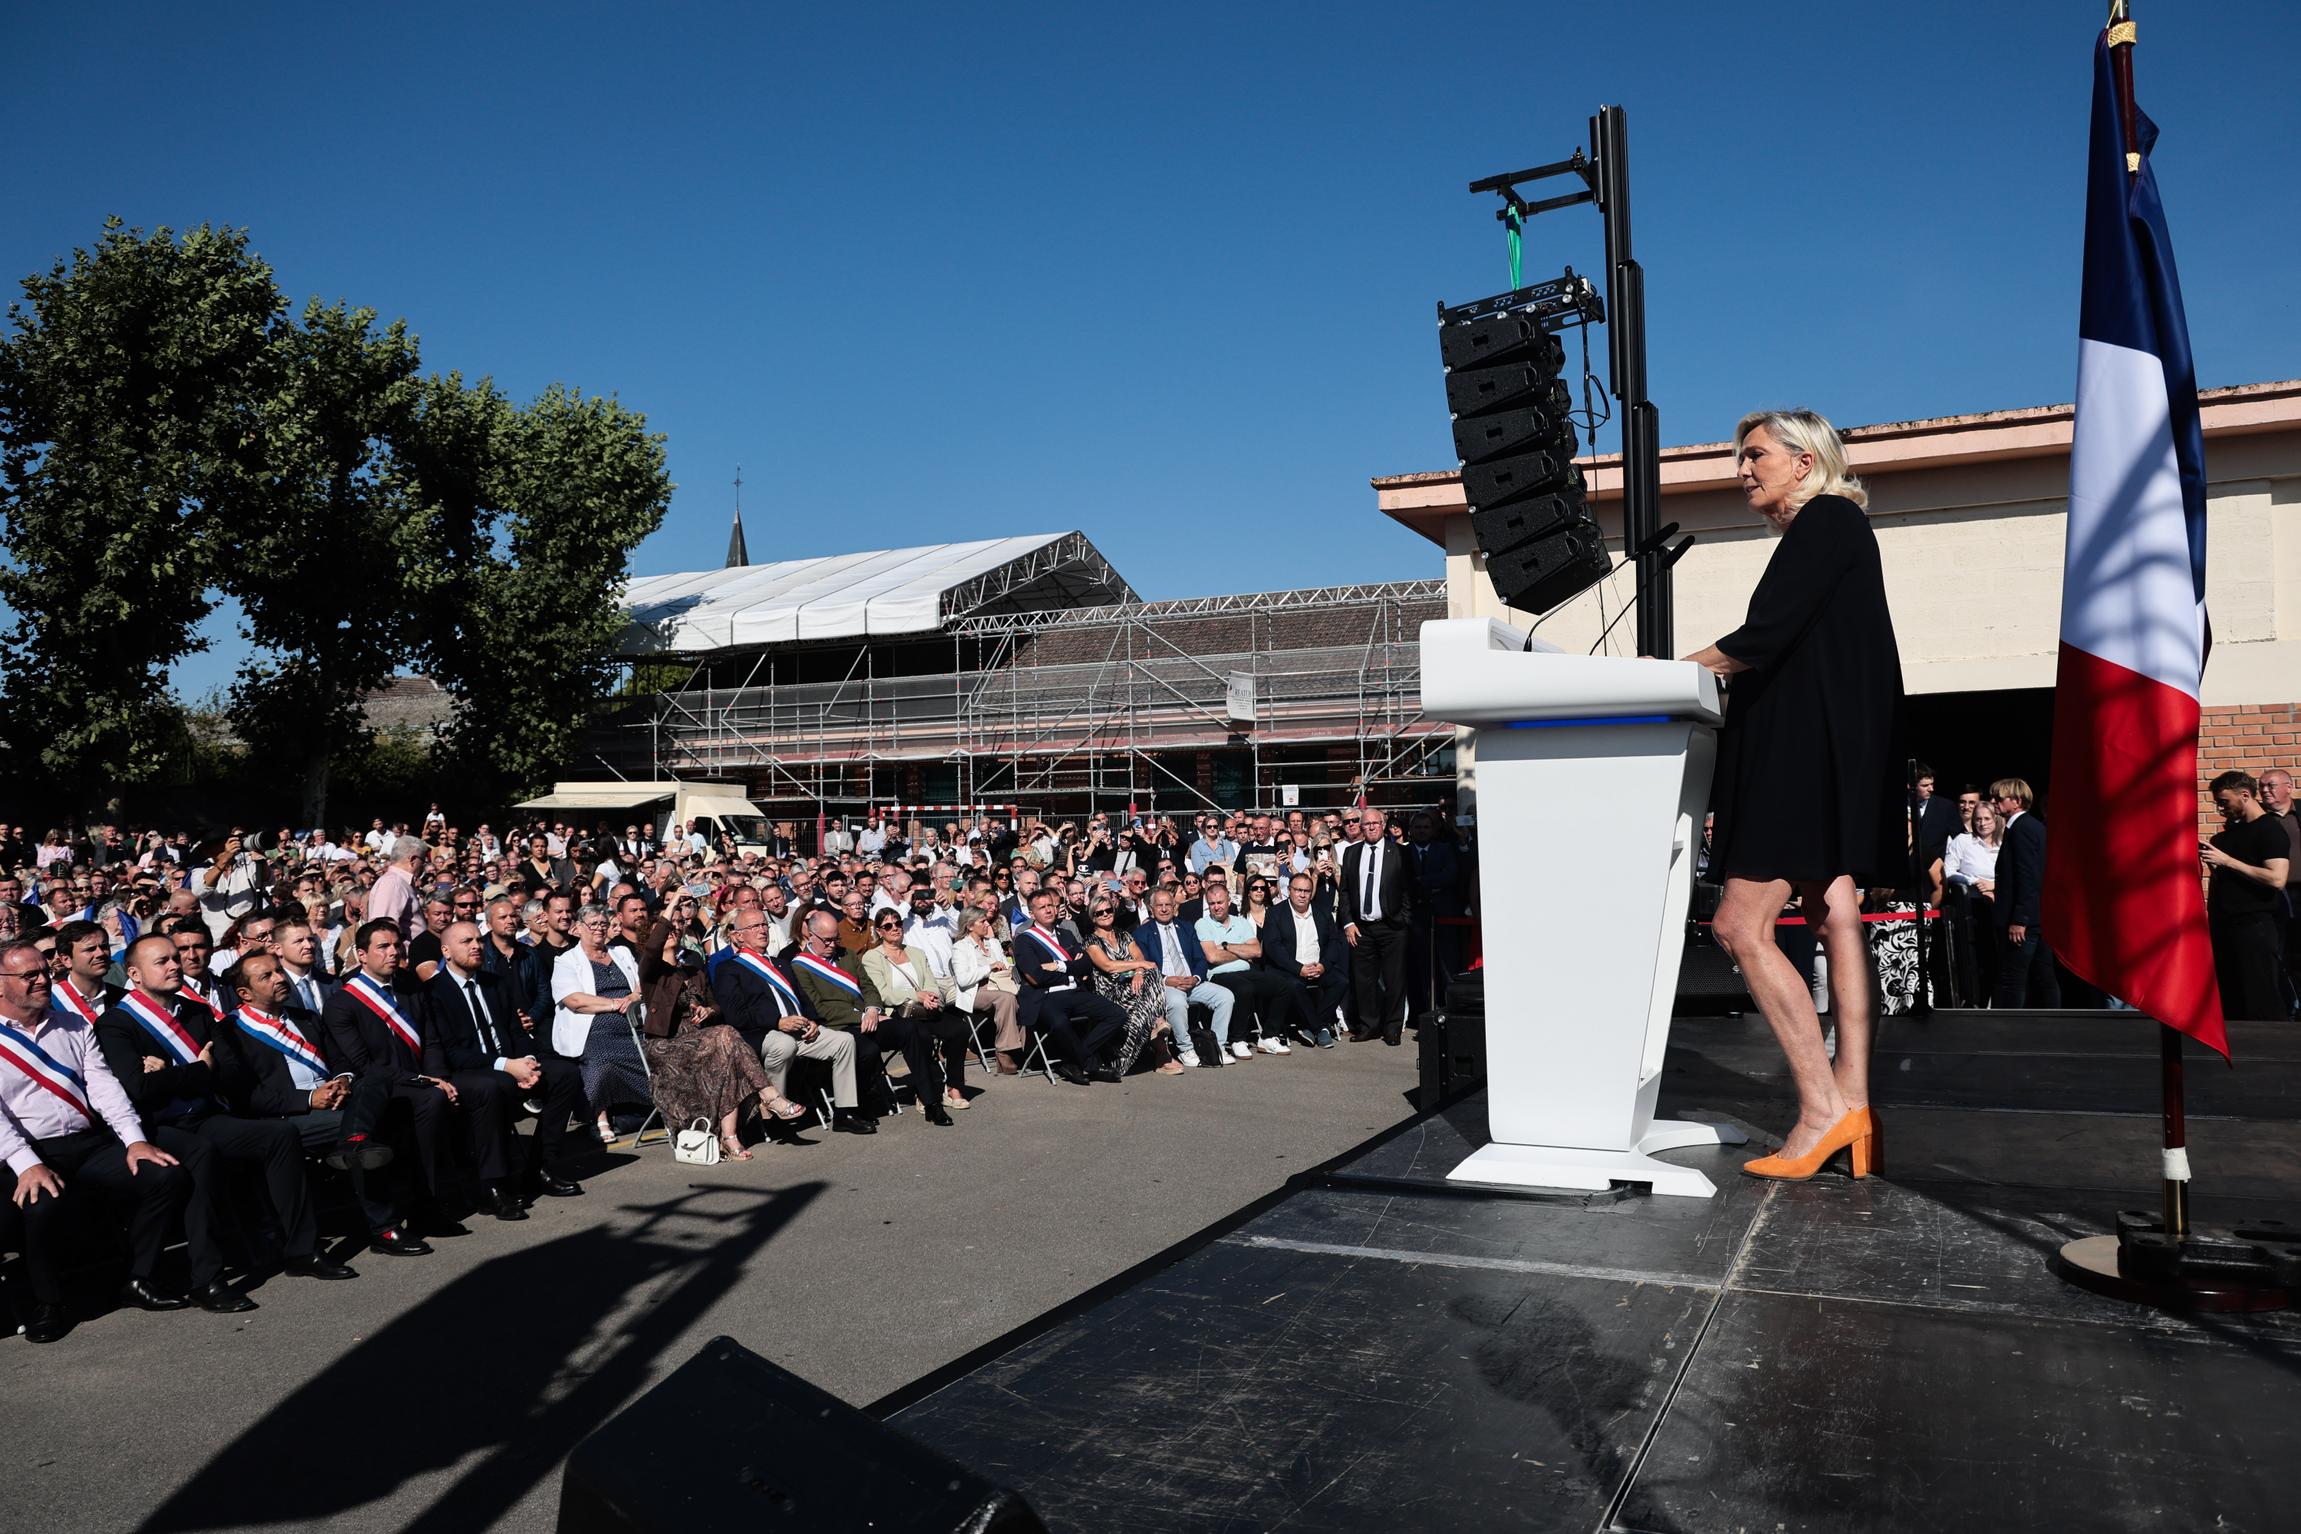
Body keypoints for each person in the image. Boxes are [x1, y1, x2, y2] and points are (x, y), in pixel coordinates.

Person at [1684, 409, 1900, 1179]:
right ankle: (1853, 1103)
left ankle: (1822, 1111)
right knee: (1833, 911)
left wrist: (1667, 672)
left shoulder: (1826, 520)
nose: (1741, 469)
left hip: (1798, 758)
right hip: (1823, 755)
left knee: (1740, 926)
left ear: (1804, 462)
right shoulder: (1837, 529)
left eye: (1754, 455)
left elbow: (1760, 637)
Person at [95, 935, 306, 1308]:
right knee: (200, 1153)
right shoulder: (116, 1023)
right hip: (158, 1126)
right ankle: (206, 1279)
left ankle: (300, 1250)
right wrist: (195, 1070)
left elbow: (230, 1073)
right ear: (135, 974)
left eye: (176, 958)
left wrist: (174, 1072)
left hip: (205, 1115)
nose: (176, 965)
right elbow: (139, 1088)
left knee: (280, 1135)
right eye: (163, 961)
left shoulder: (197, 1012)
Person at [0, 938, 192, 1342]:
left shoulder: (73, 1025)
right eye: (29, 975)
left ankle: (138, 1278)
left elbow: (104, 1089)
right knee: (39, 1203)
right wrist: (25, 1163)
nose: (42, 980)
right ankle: (47, 1302)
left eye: (44, 972)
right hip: (24, 1151)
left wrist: (135, 1141)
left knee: (164, 1176)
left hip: (87, 1143)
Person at [221, 950, 428, 1257]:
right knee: (361, 1133)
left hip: (336, 1102)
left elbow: (341, 1060)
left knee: (377, 1081)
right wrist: (308, 1099)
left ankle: (359, 1143)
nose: (279, 978)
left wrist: (343, 1081)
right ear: (244, 993)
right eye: (267, 976)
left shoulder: (305, 1018)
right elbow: (248, 1096)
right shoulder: (231, 1031)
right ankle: (383, 1228)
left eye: (278, 970)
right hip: (287, 1117)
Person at [324, 920, 525, 1226]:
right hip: (387, 1086)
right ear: (362, 955)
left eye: (396, 945)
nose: (393, 952)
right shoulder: (343, 1002)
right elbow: (365, 1065)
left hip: (431, 1076)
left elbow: (431, 1039)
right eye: (383, 947)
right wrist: (426, 1082)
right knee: (432, 1101)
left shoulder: (409, 986)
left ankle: (492, 1185)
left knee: (486, 1088)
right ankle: (430, 1201)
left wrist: (439, 1076)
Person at [427, 920, 585, 1199]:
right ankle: (494, 1183)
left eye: (478, 940)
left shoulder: (494, 983)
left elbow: (516, 1030)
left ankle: (540, 1166)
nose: (476, 946)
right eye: (466, 942)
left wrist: (528, 1060)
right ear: (446, 951)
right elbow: (451, 1051)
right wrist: (508, 1066)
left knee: (565, 1074)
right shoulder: (433, 992)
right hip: (470, 1069)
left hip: (510, 1061)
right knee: (494, 1087)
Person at [636, 911, 802, 1161]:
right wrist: (671, 905)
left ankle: (729, 1136)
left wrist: (707, 1010)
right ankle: (768, 1094)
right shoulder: (651, 972)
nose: (671, 930)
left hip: (702, 1038)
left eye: (674, 928)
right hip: (667, 1043)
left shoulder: (693, 970)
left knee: (727, 1055)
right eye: (664, 929)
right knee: (727, 1035)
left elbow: (717, 1004)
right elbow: (653, 946)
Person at [713, 909, 871, 1135]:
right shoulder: (728, 969)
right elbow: (736, 1015)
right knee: (783, 1045)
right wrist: (777, 1022)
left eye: (763, 925)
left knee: (844, 1041)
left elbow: (803, 999)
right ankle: (775, 1114)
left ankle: (845, 1113)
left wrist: (813, 1021)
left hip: (799, 1030)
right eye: (753, 927)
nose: (761, 930)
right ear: (738, 936)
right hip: (761, 1034)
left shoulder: (781, 964)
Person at [552, 905, 654, 1144]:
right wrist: (613, 1003)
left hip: (632, 1023)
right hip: (592, 1026)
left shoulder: (621, 953)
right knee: (602, 1060)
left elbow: (641, 984)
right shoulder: (566, 960)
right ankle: (601, 1118)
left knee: (655, 1057)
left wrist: (634, 997)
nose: (599, 929)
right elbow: (574, 1000)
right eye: (593, 924)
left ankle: (651, 1107)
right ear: (578, 929)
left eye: (603, 924)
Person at [859, 911, 967, 1123]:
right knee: (922, 1036)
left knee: (959, 1029)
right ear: (879, 932)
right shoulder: (873, 957)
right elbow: (882, 993)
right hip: (900, 1013)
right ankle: (922, 1091)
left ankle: (953, 1085)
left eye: (897, 923)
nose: (895, 928)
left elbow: (931, 982)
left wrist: (930, 996)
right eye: (888, 926)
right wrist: (916, 995)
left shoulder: (916, 952)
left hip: (925, 1008)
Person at [1013, 888, 1128, 1085]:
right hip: (1046, 997)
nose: (1049, 910)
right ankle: (1091, 1064)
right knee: (1059, 1023)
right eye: (1042, 908)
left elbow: (1086, 964)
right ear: (1032, 914)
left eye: (1051, 905)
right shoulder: (1024, 940)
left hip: (1075, 991)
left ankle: (1073, 1061)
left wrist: (1059, 966)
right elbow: (1036, 978)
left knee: (1117, 1014)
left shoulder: (1066, 934)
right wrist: (1071, 969)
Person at [2203, 770, 2290, 1022]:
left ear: (2244, 795)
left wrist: (2228, 861)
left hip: (2255, 926)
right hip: (2224, 926)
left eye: (2224, 801)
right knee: (2231, 1000)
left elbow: (2276, 879)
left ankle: (2274, 1054)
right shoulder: (2226, 835)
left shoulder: (2269, 830)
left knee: (2260, 998)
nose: (2220, 808)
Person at [1133, 886, 1240, 1063]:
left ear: (1175, 906)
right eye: (1160, 906)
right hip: (1164, 984)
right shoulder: (1141, 933)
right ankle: (1185, 1049)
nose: (1165, 909)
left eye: (1168, 904)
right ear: (1151, 909)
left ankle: (1217, 1046)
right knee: (1176, 1002)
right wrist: (1167, 979)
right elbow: (1144, 964)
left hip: (1191, 981)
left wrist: (1196, 978)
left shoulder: (1186, 927)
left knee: (1226, 996)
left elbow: (1200, 958)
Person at [1082, 897, 1184, 1076]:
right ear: (1093, 917)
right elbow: (1108, 966)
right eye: (1100, 913)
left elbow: (1140, 958)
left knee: (1152, 973)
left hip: (1134, 989)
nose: (1105, 914)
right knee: (1150, 972)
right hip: (1110, 992)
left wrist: (1138, 972)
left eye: (1109, 910)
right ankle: (1160, 1044)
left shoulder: (1124, 935)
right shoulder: (1091, 942)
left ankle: (1157, 1025)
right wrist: (1139, 966)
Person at [1339, 807, 1414, 1045]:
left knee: (1394, 980)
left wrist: (1403, 919)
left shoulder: (1400, 852)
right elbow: (1346, 892)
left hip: (1392, 926)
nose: (1370, 827)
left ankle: (1392, 1028)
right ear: (1360, 828)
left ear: (1383, 825)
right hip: (1361, 927)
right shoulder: (1351, 853)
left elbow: (1409, 890)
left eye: (1374, 823)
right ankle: (1369, 1026)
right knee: (1364, 981)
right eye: (1365, 824)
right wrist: (1348, 922)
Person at [1196, 881, 1291, 1053]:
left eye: (1220, 902)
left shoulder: (1240, 922)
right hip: (1219, 975)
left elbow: (1257, 951)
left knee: (1283, 985)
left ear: (1229, 901)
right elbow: (1212, 956)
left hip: (1245, 971)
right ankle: (1237, 1039)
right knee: (1244, 989)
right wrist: (1242, 950)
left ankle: (1268, 1036)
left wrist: (1225, 946)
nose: (1217, 907)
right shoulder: (1202, 924)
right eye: (1212, 903)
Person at [1989, 777, 2059, 1008]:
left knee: (2014, 978)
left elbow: (2028, 877)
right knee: (2043, 976)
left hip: (2025, 920)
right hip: (2038, 918)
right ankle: (2051, 1025)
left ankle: (2011, 1031)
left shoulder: (2022, 829)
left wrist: (2020, 919)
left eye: (1999, 798)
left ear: (2017, 801)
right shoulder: (2031, 827)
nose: (1993, 802)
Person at [1264, 872, 1346, 1048]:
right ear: (1289, 890)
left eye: (1306, 891)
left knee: (1341, 981)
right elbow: (1273, 948)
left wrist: (1323, 966)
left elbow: (1334, 942)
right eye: (1298, 890)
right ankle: (1320, 1028)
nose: (1302, 895)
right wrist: (1298, 968)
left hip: (1317, 966)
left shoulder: (1322, 913)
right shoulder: (1275, 913)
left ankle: (1311, 1026)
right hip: (1288, 969)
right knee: (1294, 985)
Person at [950, 906, 1025, 1074]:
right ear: (969, 925)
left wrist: (1004, 966)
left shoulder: (994, 943)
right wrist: (988, 967)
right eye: (982, 921)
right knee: (1006, 999)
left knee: (1026, 997)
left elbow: (1005, 966)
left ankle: (1025, 1046)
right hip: (976, 990)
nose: (987, 924)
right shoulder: (960, 947)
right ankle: (1006, 1051)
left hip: (1000, 985)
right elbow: (963, 980)